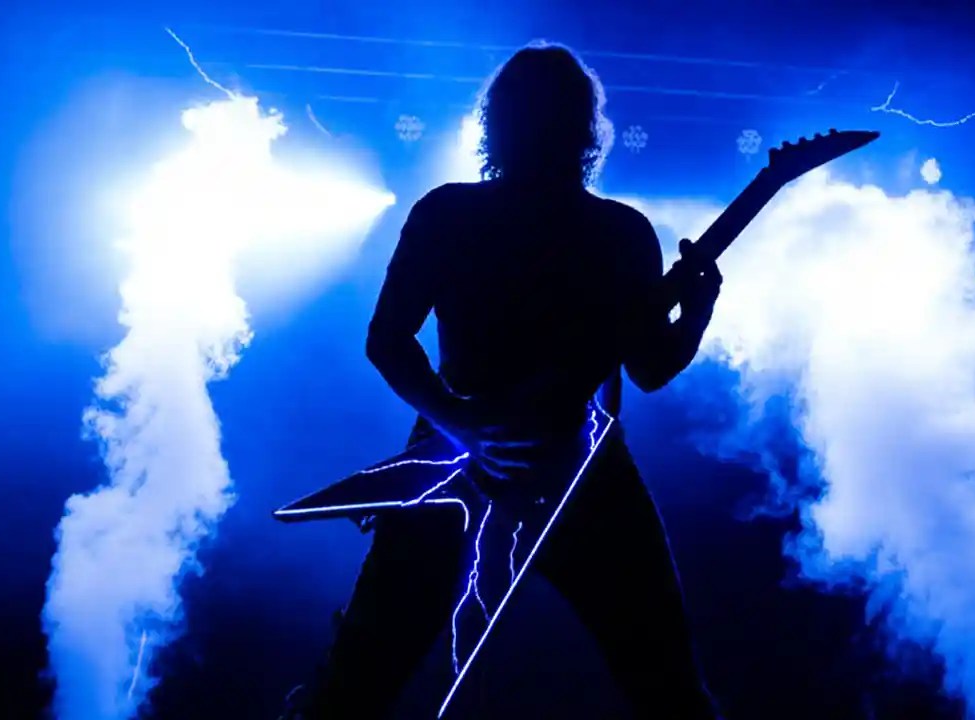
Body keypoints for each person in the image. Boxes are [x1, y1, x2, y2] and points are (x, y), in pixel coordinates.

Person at [289, 41, 724, 719]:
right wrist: (696, 316)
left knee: (357, 683)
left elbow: (388, 340)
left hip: (489, 461)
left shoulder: (454, 213)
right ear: (589, 128)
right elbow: (652, 368)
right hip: (552, 470)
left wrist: (459, 421)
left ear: (495, 122)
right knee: (669, 687)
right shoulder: (616, 230)